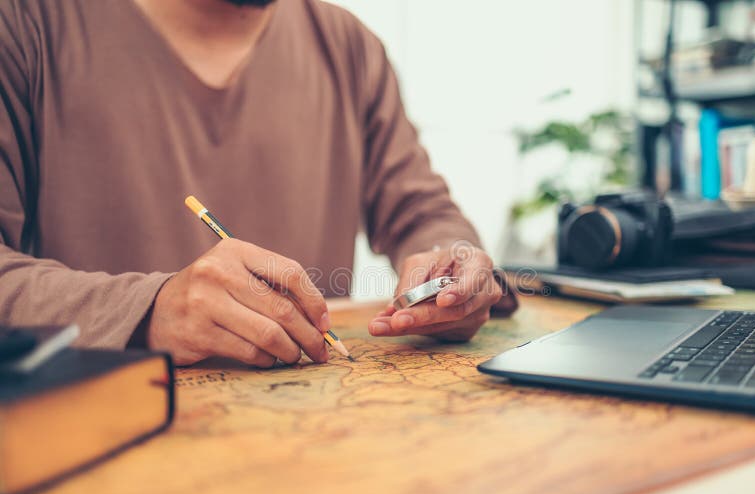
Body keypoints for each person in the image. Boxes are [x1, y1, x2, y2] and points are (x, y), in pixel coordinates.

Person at [0, 0, 515, 368]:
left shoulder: (349, 46)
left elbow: (424, 213)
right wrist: (150, 309)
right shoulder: (23, 27)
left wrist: (449, 268)